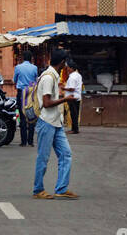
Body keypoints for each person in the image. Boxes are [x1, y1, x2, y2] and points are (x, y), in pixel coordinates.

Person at [32, 50, 76, 199]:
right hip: (47, 122)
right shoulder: (48, 78)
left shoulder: (52, 76)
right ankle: (38, 190)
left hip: (56, 122)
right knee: (43, 157)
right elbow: (46, 103)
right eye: (65, 62)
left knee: (66, 154)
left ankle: (61, 188)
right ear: (62, 62)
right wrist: (65, 100)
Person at [14, 53, 39, 146]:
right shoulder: (34, 68)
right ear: (31, 58)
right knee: (31, 116)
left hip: (21, 93)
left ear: (23, 58)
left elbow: (15, 80)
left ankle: (23, 141)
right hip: (31, 93)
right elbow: (36, 80)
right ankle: (31, 141)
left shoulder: (18, 67)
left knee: (22, 116)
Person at [63, 57, 83, 134]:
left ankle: (74, 129)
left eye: (68, 67)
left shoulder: (72, 77)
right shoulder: (78, 75)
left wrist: (64, 88)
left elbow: (71, 88)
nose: (67, 69)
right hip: (77, 96)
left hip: (72, 97)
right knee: (75, 113)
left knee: (73, 114)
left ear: (71, 68)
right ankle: (75, 128)